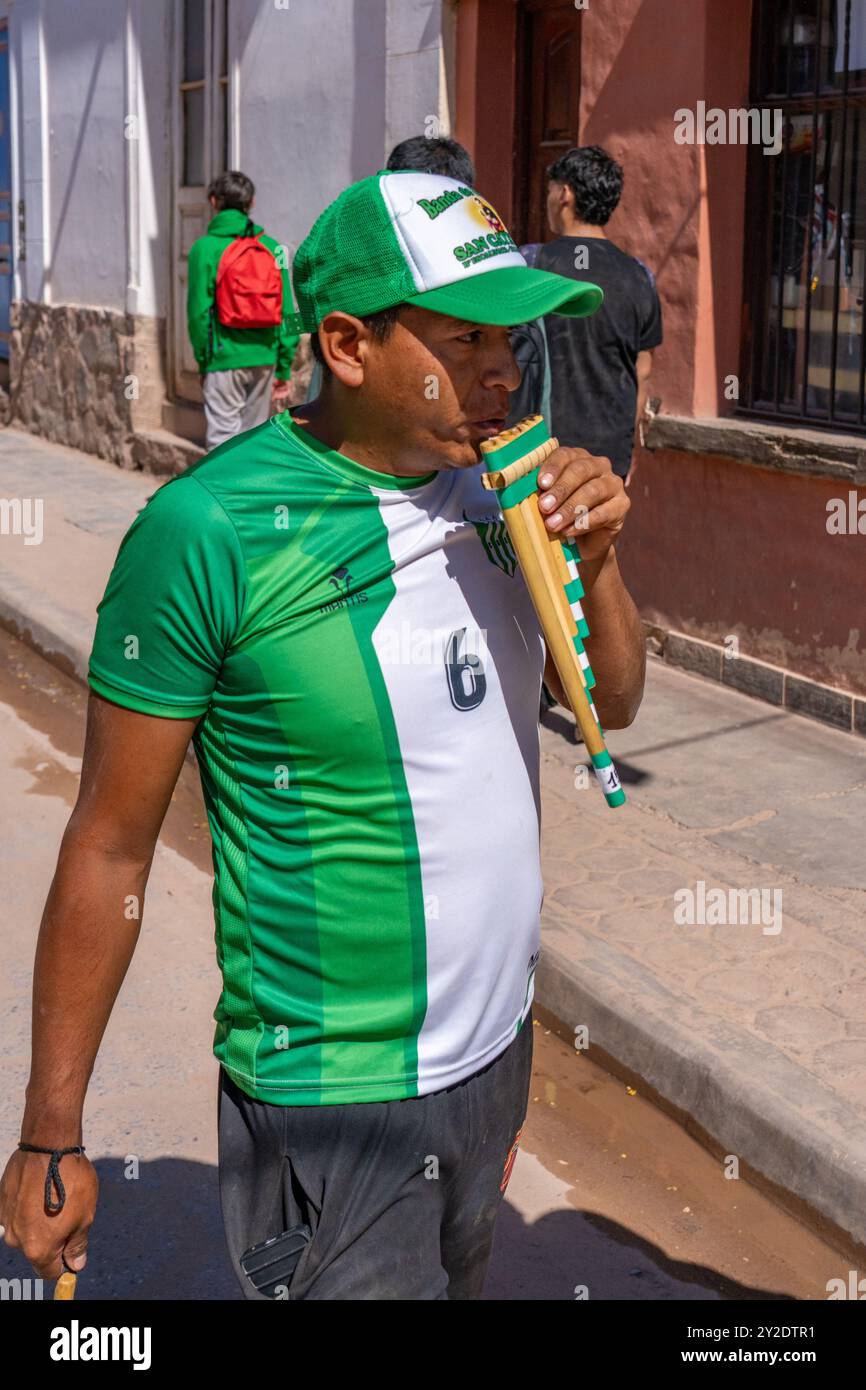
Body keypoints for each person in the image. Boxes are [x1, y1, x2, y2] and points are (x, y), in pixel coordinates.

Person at [0, 169, 645, 1301]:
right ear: (346, 345)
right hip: (334, 1104)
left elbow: (618, 703)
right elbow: (107, 845)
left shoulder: (507, 493)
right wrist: (53, 1132)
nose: (504, 370)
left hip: (495, 1057)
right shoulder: (208, 531)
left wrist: (594, 559)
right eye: (468, 339)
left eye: (517, 340)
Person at [507, 145, 663, 484]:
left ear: (565, 193)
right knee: (597, 537)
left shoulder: (531, 264)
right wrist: (626, 454)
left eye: (550, 189)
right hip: (607, 459)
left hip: (537, 456)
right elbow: (643, 371)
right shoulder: (640, 276)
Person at [188, 170, 300, 450]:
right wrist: (284, 366)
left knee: (220, 443)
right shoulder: (273, 248)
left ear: (214, 202)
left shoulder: (205, 248)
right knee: (252, 444)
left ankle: (221, 495)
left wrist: (204, 360)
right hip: (264, 357)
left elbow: (198, 314)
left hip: (223, 357)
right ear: (251, 204)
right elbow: (289, 313)